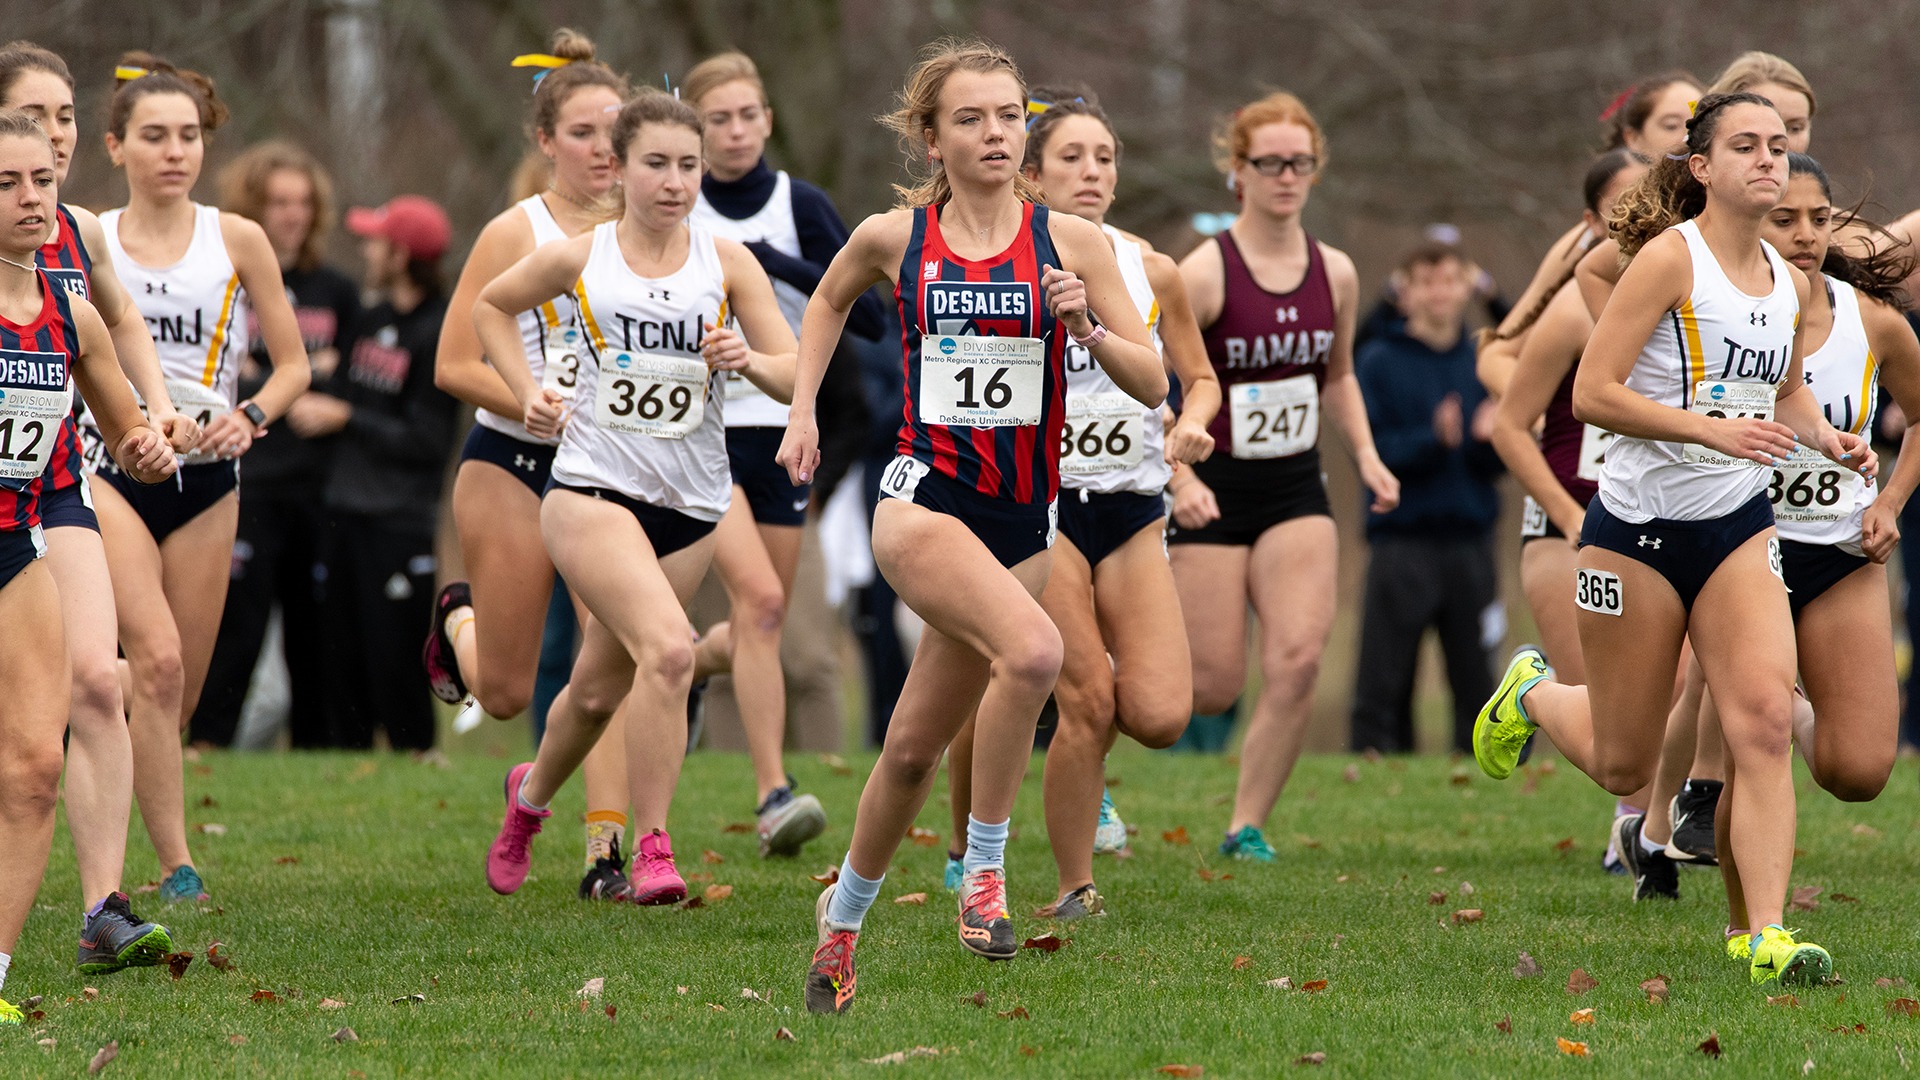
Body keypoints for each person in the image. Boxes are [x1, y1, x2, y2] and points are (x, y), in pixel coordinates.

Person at [778, 39, 1165, 1015]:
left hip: (1023, 524)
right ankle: (984, 872)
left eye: (1009, 116)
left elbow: (1156, 381)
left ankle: (840, 926)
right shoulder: (893, 237)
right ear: (932, 138)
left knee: (913, 749)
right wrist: (801, 410)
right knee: (1034, 655)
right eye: (971, 118)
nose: (995, 134)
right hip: (923, 501)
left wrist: (1089, 329)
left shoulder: (1073, 243)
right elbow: (826, 302)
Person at [1474, 93, 1872, 986]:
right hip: (1636, 533)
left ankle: (1764, 935)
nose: (1768, 160)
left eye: (1778, 147)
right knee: (1623, 757)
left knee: (1763, 723)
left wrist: (1828, 437)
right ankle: (1533, 691)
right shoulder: (1666, 260)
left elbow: (1785, 391)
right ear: (1702, 167)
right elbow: (1593, 394)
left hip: (1737, 530)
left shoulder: (1787, 279)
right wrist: (1706, 430)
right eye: (1746, 146)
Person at [478, 88, 799, 906]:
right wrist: (526, 393)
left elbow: (794, 371)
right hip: (591, 489)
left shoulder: (727, 263)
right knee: (672, 651)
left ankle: (528, 800)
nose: (674, 181)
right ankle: (654, 847)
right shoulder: (581, 256)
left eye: (689, 166)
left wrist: (747, 360)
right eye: (656, 163)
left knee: (596, 691)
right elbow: (490, 306)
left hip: (690, 506)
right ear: (619, 167)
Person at [943, 85, 1221, 915]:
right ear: (1032, 173)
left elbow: (1197, 379)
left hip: (1132, 504)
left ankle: (1073, 768)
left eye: (1105, 157)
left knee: (1161, 715)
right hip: (1041, 503)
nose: (1093, 171)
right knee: (1088, 699)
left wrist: (1192, 428)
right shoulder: (998, 259)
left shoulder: (1153, 269)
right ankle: (1066, 884)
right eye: (1072, 157)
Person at [1617, 153, 1920, 909]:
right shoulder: (1713, 313)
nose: (1805, 235)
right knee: (1752, 745)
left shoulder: (1872, 321)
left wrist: (1890, 503)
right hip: (1743, 553)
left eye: (1819, 219)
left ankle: (1786, 712)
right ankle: (1744, 921)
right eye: (1785, 219)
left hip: (1840, 553)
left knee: (1858, 772)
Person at [95, 54, 311, 904]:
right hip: (108, 470)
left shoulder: (238, 238)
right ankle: (176, 863)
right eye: (153, 136)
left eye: (188, 135)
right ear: (115, 145)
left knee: (172, 690)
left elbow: (293, 367)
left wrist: (249, 416)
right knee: (154, 661)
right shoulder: (89, 234)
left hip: (209, 479)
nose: (174, 152)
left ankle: (75, 697)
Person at [0, 40, 196, 974]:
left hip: (44, 504)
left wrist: (151, 431)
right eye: (14, 173)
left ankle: (101, 909)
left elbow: (116, 360)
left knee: (88, 693)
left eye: (63, 127)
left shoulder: (72, 256)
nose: (49, 157)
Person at [424, 30, 633, 899]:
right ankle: (457, 623)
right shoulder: (515, 232)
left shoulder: (652, 229)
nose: (603, 150)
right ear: (546, 140)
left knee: (607, 655)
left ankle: (605, 855)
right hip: (512, 459)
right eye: (582, 133)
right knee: (508, 693)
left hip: (606, 470)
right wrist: (529, 398)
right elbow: (452, 364)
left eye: (615, 131)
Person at [1170, 91, 1399, 863]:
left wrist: (1367, 456)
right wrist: (1180, 479)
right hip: (1214, 489)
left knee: (1298, 660)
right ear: (1238, 171)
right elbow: (1161, 388)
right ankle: (1093, 691)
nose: (1286, 177)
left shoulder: (1335, 272)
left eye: (1299, 163)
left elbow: (1337, 375)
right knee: (1210, 687)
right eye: (1269, 163)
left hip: (1296, 489)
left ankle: (1246, 826)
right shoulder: (1205, 273)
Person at [194, 140, 359, 748]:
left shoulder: (337, 290)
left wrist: (315, 385)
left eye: (303, 203)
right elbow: (226, 371)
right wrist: (295, 374)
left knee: (316, 629)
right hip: (251, 477)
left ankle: (316, 748)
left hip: (318, 485)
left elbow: (353, 381)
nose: (293, 215)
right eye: (279, 202)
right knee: (238, 622)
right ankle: (208, 739)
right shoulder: (229, 278)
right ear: (253, 206)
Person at [283, 195, 458, 749]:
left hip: (399, 518)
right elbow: (347, 391)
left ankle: (416, 753)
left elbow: (427, 439)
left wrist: (344, 417)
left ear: (402, 255)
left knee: (396, 652)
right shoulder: (372, 318)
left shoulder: (440, 329)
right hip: (343, 508)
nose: (367, 251)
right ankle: (346, 761)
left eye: (377, 242)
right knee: (339, 653)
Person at [1488, 149, 1647, 747]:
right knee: (1607, 716)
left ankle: (1658, 818)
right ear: (1592, 223)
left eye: (1652, 202)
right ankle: (1531, 690)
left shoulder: (1692, 299)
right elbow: (1508, 424)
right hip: (1571, 521)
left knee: (1669, 696)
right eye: (1624, 207)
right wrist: (1565, 514)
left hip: (1659, 522)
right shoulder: (1570, 310)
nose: (1641, 218)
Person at [1350, 241, 1503, 753]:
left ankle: (1483, 766)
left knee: (1477, 674)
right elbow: (1370, 451)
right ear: (1406, 291)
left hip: (1470, 541)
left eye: (1450, 280)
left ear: (1466, 288)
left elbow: (1500, 464)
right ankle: (1373, 766)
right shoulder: (1377, 360)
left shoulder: (1485, 360)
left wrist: (1490, 440)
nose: (1439, 292)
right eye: (1426, 281)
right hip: (1402, 541)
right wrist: (1432, 440)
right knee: (1384, 676)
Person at [1476, 71, 1701, 400]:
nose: (1686, 138)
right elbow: (1497, 353)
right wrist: (1539, 419)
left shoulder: (1729, 223)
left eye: (1696, 125)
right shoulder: (1588, 242)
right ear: (1632, 138)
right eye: (1670, 125)